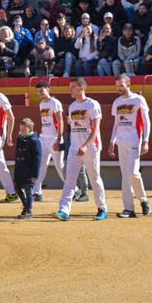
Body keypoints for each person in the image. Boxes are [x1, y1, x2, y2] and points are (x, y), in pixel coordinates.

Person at [55, 77, 108, 221]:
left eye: (72, 87)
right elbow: (73, 128)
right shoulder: (71, 106)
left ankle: (102, 208)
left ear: (81, 88)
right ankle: (64, 210)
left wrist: (85, 145)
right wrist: (73, 146)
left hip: (91, 147)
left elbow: (95, 128)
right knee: (70, 179)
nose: (69, 90)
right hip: (74, 147)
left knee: (94, 178)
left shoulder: (92, 104)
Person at [109, 73, 151, 218]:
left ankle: (143, 199)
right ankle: (129, 208)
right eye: (116, 86)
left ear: (128, 84)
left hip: (134, 140)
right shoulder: (117, 102)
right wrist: (111, 142)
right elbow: (116, 124)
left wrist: (146, 140)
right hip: (121, 141)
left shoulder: (139, 100)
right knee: (125, 175)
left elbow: (146, 121)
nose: (118, 88)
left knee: (133, 172)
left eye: (121, 85)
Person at [33, 80, 66, 201]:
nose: (40, 93)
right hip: (44, 138)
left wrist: (59, 137)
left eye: (42, 90)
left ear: (48, 89)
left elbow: (60, 120)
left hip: (54, 138)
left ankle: (75, 189)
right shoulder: (41, 104)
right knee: (40, 165)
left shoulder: (55, 103)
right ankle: (37, 192)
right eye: (38, 91)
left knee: (60, 166)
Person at [12, 118, 42, 220]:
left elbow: (37, 159)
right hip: (20, 169)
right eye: (20, 129)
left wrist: (35, 174)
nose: (21, 131)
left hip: (29, 171)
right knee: (17, 187)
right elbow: (17, 154)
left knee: (28, 190)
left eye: (24, 130)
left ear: (30, 129)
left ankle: (28, 210)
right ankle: (26, 205)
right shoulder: (20, 138)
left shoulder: (34, 141)